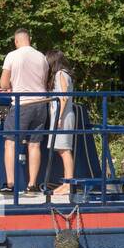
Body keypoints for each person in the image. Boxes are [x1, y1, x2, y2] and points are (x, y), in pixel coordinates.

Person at [0, 28, 49, 194]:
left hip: (23, 103)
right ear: (30, 38)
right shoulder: (42, 57)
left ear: (16, 41)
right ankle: (32, 185)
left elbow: (3, 85)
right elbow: (44, 82)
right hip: (42, 104)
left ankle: (10, 184)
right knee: (35, 144)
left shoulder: (12, 56)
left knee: (10, 142)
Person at [44, 49, 75, 199]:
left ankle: (69, 184)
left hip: (63, 116)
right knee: (61, 149)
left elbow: (63, 98)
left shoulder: (60, 74)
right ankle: (66, 182)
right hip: (61, 115)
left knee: (64, 149)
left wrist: (59, 118)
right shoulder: (63, 74)